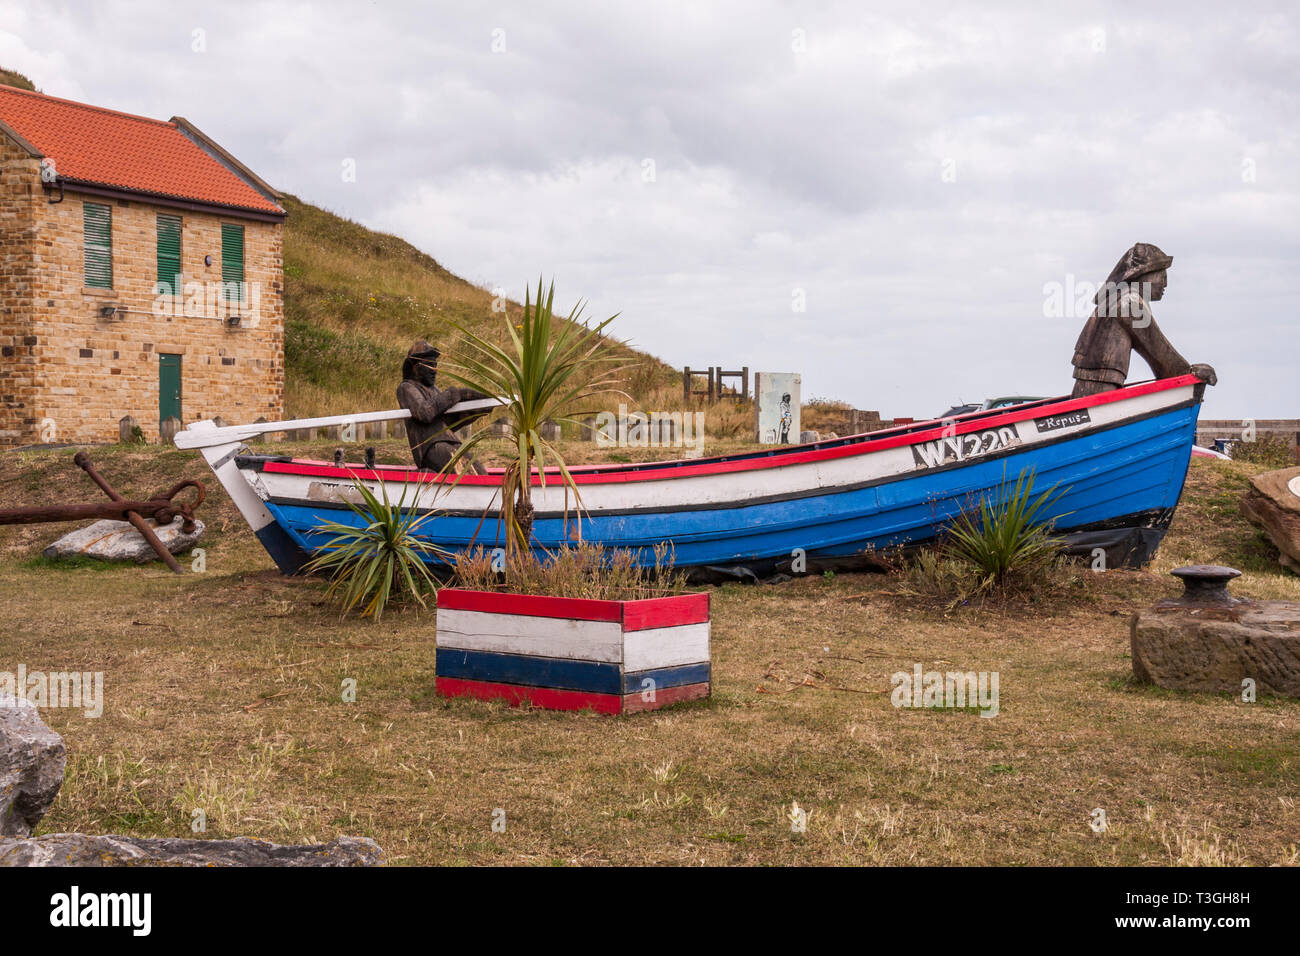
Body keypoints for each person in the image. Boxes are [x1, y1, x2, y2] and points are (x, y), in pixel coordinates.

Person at [1070, 243, 1217, 398]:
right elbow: (1157, 351)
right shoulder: (1129, 302)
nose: (1165, 283)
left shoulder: (1119, 298)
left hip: (1099, 386)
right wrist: (1191, 373)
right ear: (1144, 274)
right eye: (1162, 276)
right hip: (1100, 390)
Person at [396, 340, 493, 471]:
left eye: (435, 365)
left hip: (449, 443)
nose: (434, 371)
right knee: (469, 474)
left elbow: (444, 423)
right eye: (429, 365)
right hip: (431, 447)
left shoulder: (434, 390)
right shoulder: (406, 387)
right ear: (415, 366)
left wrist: (472, 411)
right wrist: (455, 393)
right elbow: (425, 413)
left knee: (481, 473)